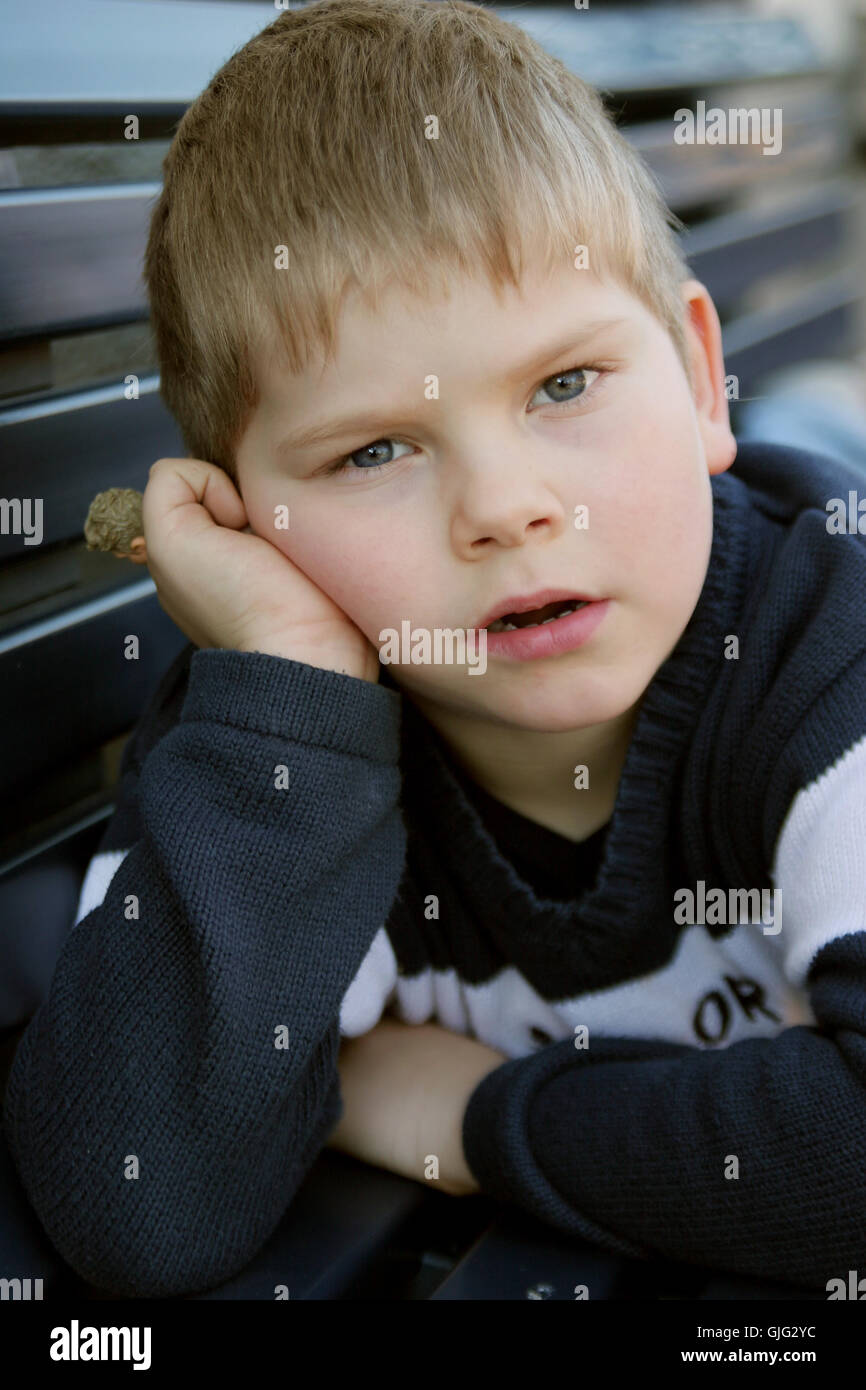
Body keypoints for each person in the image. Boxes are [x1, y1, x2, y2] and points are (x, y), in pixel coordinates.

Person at [4, 0, 866, 1299]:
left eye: (563, 385)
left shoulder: (822, 651)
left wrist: (471, 1119)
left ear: (697, 379)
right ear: (247, 521)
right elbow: (138, 1202)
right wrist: (289, 679)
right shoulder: (271, 744)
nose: (505, 506)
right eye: (373, 451)